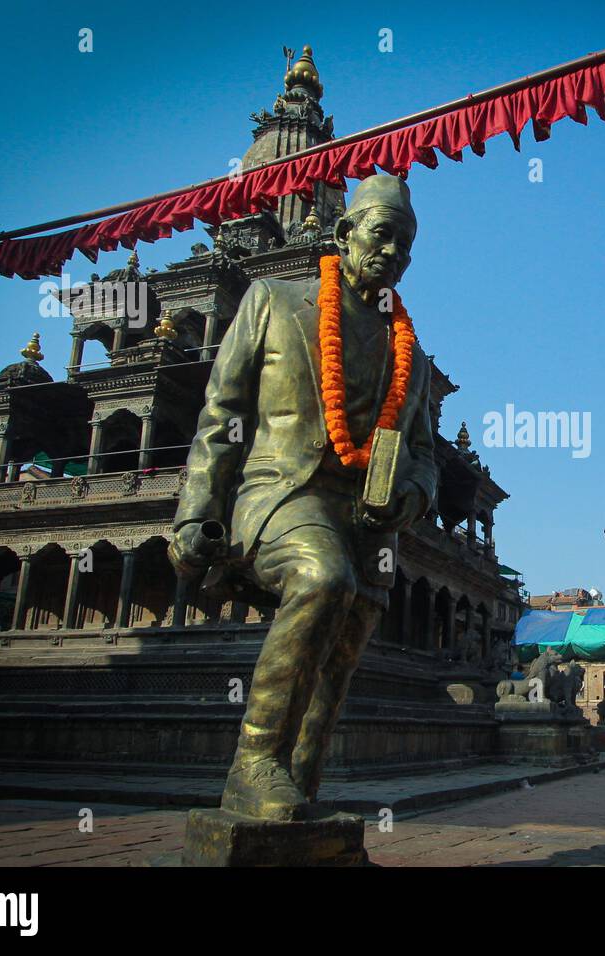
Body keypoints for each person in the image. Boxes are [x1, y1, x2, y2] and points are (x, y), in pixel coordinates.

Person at [169, 174, 438, 820]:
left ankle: (299, 800)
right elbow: (221, 412)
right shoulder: (272, 301)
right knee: (323, 580)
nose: (395, 252)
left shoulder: (413, 353)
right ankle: (253, 762)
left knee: (340, 657)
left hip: (368, 520)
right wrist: (197, 511)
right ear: (344, 234)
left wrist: (407, 498)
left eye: (406, 243)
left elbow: (426, 457)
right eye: (382, 234)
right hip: (283, 494)